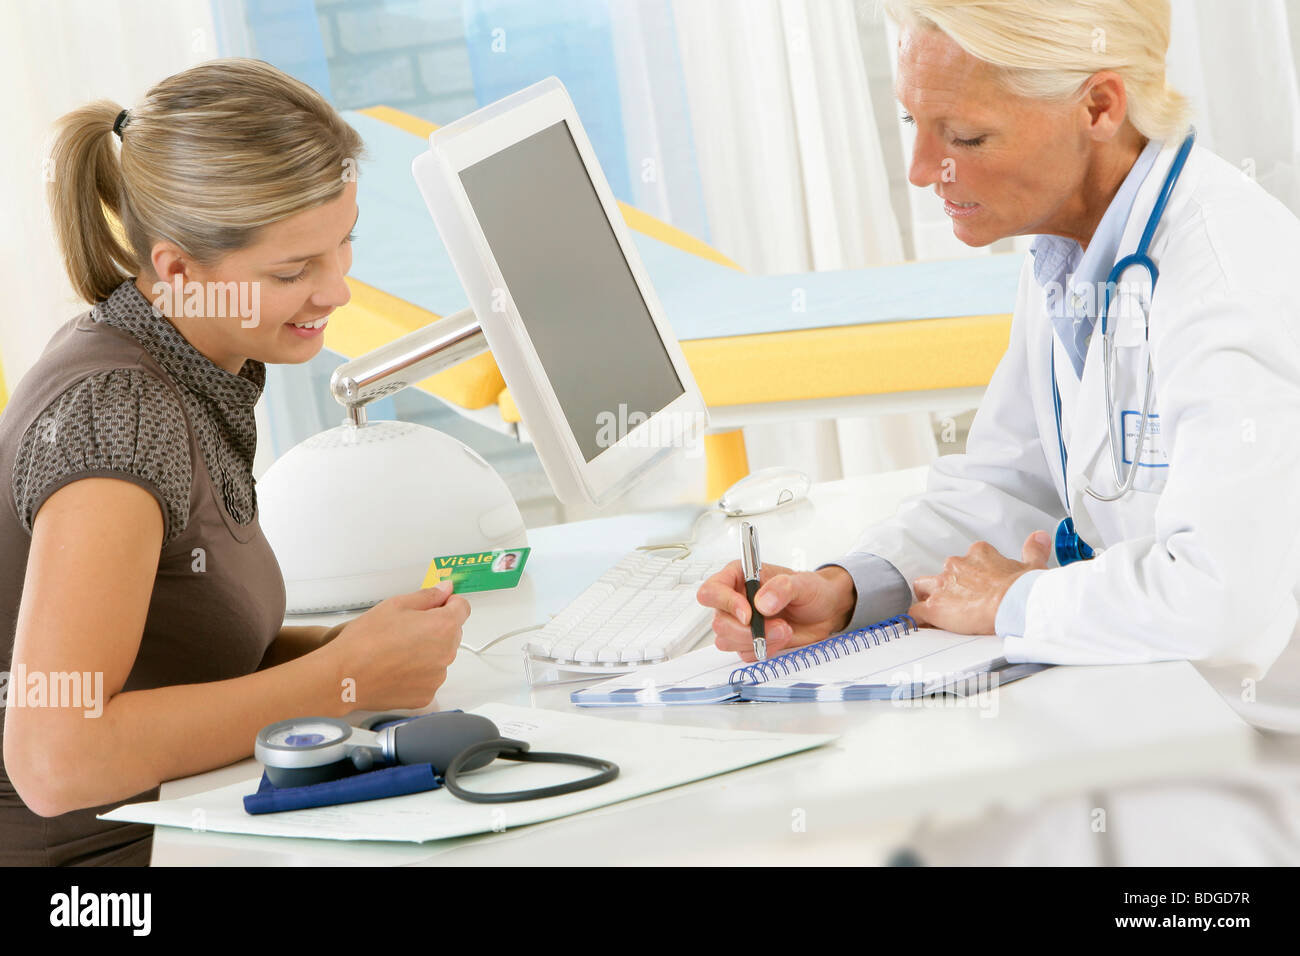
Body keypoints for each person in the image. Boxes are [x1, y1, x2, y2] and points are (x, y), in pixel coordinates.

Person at [696, 0, 1300, 864]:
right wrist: (850, 587)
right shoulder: (1072, 247)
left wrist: (1014, 601)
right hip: (1166, 724)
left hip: (1262, 763)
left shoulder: (1225, 281)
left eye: (964, 138)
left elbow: (1221, 597)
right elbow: (1005, 482)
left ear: (1099, 107)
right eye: (914, 123)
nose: (918, 169)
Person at [0, 58, 469, 866]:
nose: (336, 293)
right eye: (293, 271)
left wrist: (343, 651)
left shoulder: (183, 364)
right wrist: (342, 681)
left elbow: (172, 646)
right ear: (180, 271)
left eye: (341, 246)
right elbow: (55, 761)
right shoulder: (121, 414)